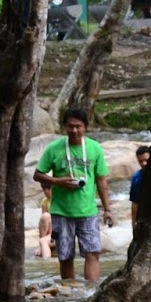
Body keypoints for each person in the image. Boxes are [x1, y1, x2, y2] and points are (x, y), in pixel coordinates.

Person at [33, 108, 115, 283]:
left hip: (88, 211)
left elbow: (101, 181)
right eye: (70, 126)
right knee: (65, 255)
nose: (75, 131)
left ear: (85, 127)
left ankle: (91, 289)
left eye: (78, 126)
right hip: (61, 211)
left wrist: (108, 209)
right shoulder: (54, 148)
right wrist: (57, 181)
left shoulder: (94, 148)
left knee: (93, 252)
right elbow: (37, 174)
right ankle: (69, 291)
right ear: (65, 127)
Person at [129, 144, 150, 226]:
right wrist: (133, 224)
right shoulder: (136, 177)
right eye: (140, 161)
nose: (144, 163)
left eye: (146, 160)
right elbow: (134, 203)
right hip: (142, 218)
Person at [36, 194, 54, 258]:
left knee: (43, 241)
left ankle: (46, 263)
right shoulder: (45, 201)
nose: (46, 192)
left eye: (48, 190)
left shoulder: (58, 200)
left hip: (57, 231)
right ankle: (41, 244)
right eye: (44, 190)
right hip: (50, 228)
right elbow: (43, 219)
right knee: (45, 216)